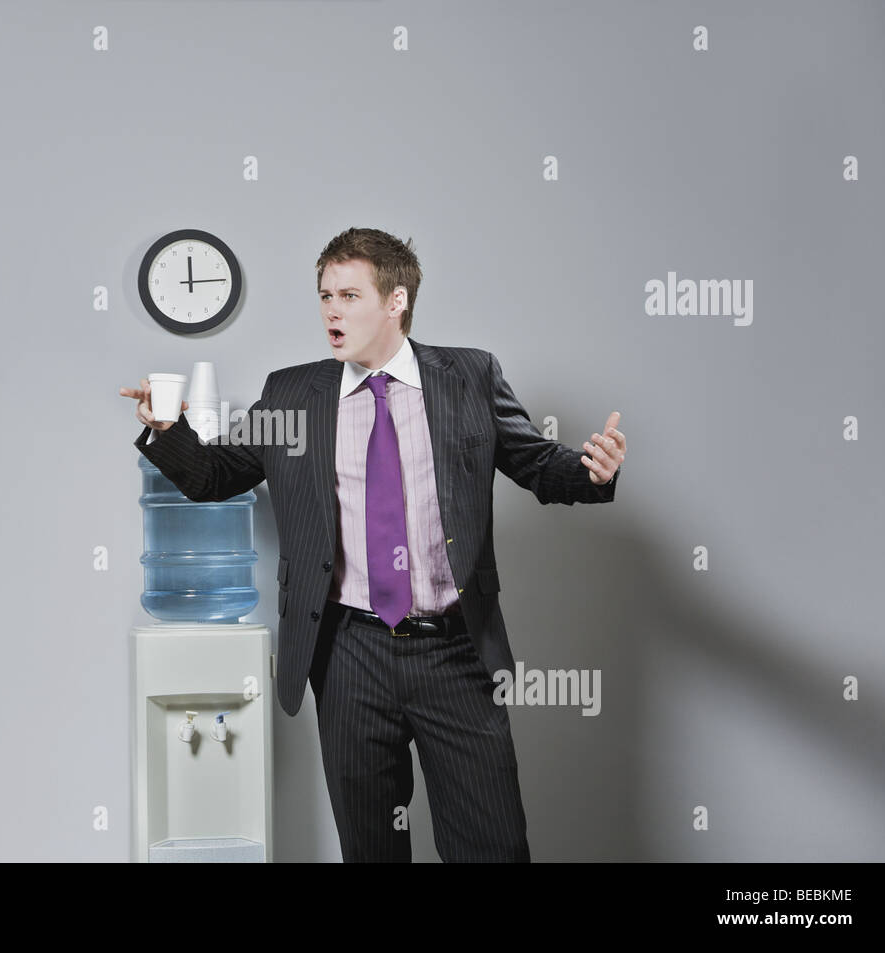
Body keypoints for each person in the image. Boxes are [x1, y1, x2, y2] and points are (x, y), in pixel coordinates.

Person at [119, 227, 627, 862]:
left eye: (350, 294)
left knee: (492, 847)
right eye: (325, 294)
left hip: (454, 652)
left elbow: (536, 464)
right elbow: (214, 477)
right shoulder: (293, 395)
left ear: (397, 301)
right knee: (372, 850)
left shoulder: (469, 376)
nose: (332, 309)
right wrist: (166, 431)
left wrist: (590, 471)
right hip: (349, 652)